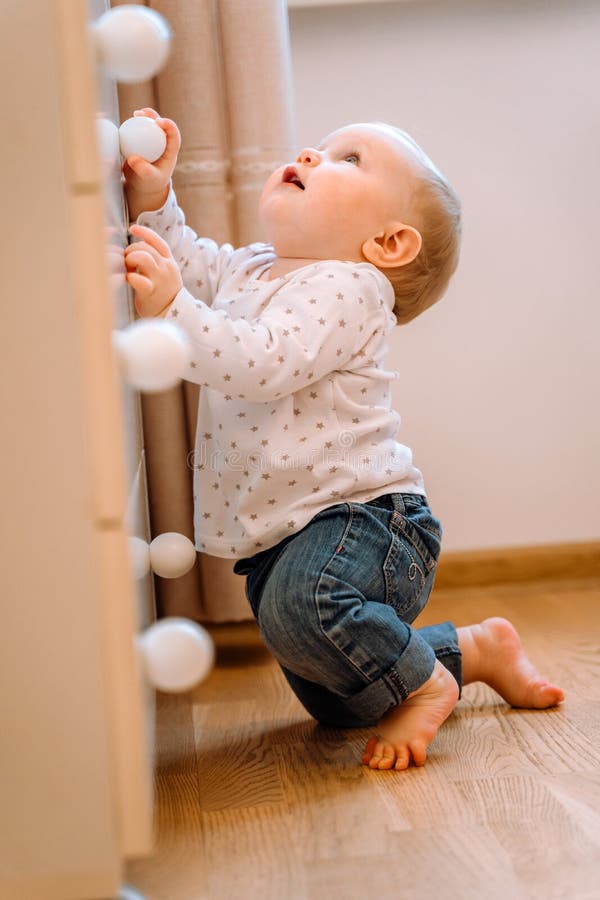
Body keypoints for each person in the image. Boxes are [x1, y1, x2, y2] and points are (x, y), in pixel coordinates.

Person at [122, 109, 564, 771]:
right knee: (342, 698)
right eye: (324, 148)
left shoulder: (351, 289)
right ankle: (474, 650)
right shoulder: (256, 269)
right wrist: (157, 199)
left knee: (309, 610)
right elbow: (190, 265)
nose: (312, 154)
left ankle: (429, 681)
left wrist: (171, 310)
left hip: (364, 522)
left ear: (388, 245)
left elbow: (259, 361)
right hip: (291, 531)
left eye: (348, 159)